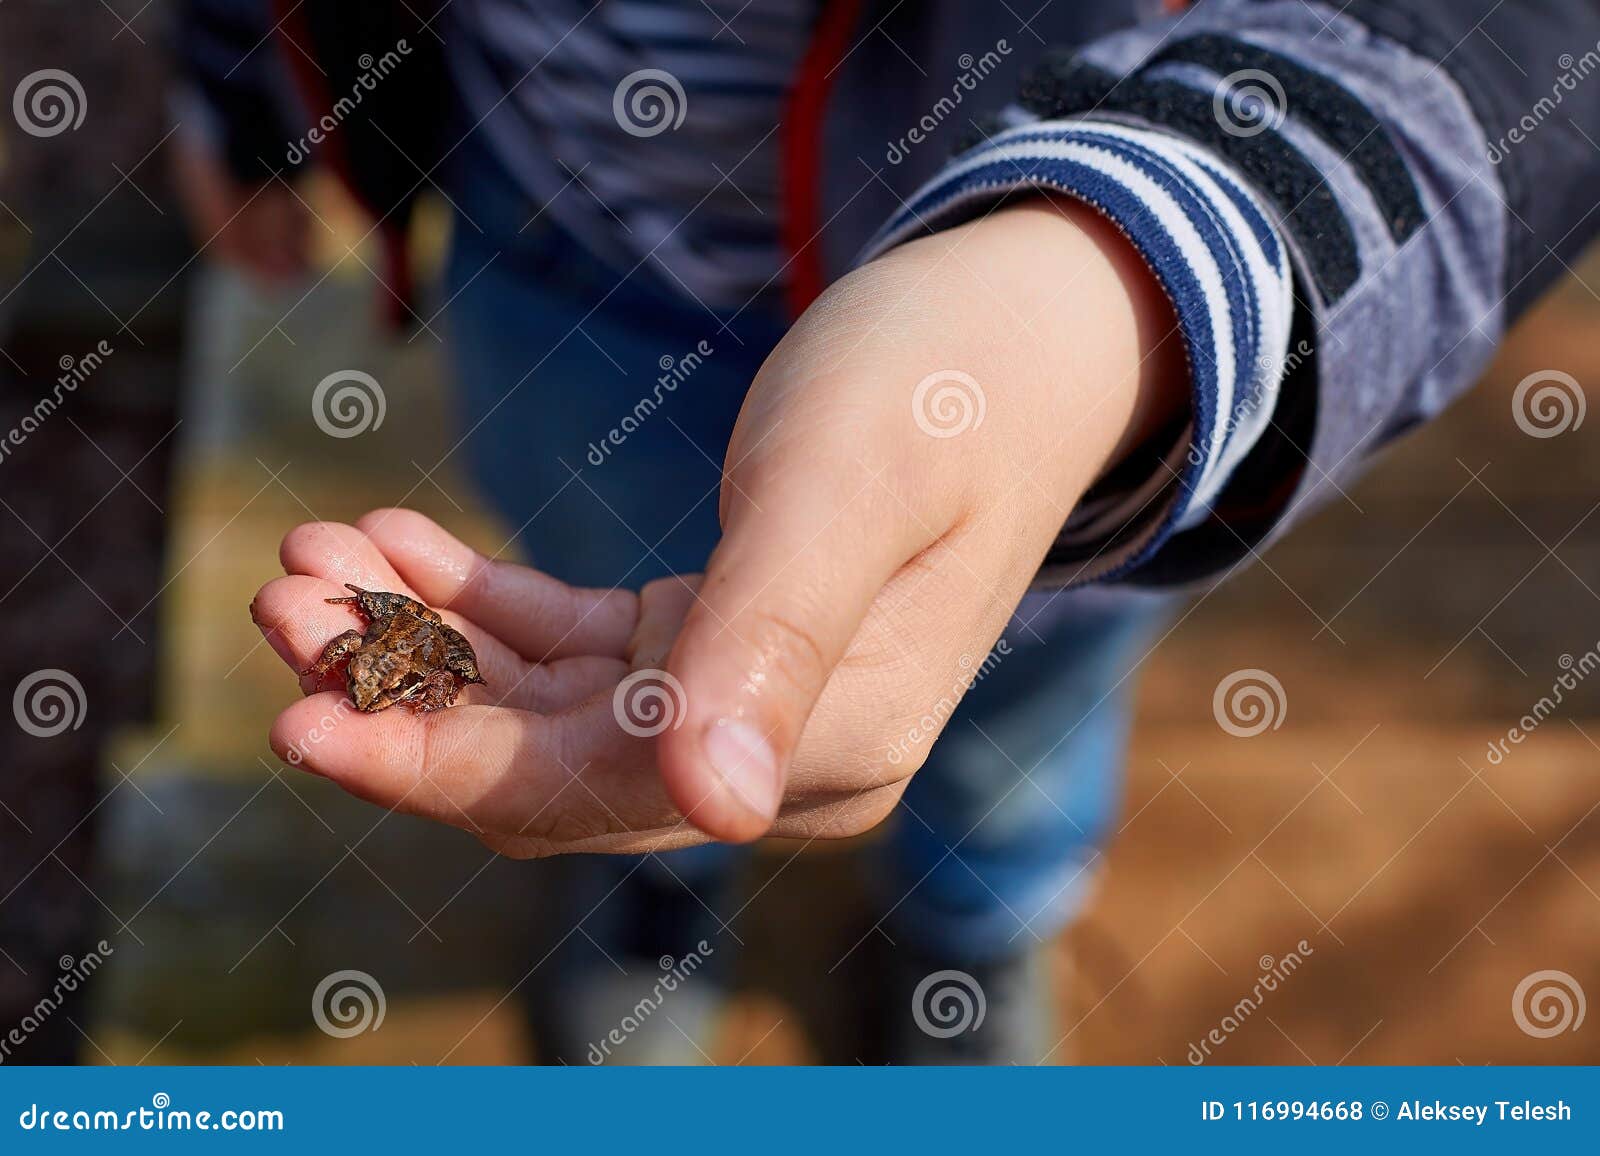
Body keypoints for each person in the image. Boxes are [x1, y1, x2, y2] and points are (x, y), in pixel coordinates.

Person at [183, 0, 1599, 1062]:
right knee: (602, 603)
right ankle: (647, 878)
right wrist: (246, 85)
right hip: (563, 264)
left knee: (1018, 683)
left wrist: (1110, 283)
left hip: (1041, 318)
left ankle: (974, 915)